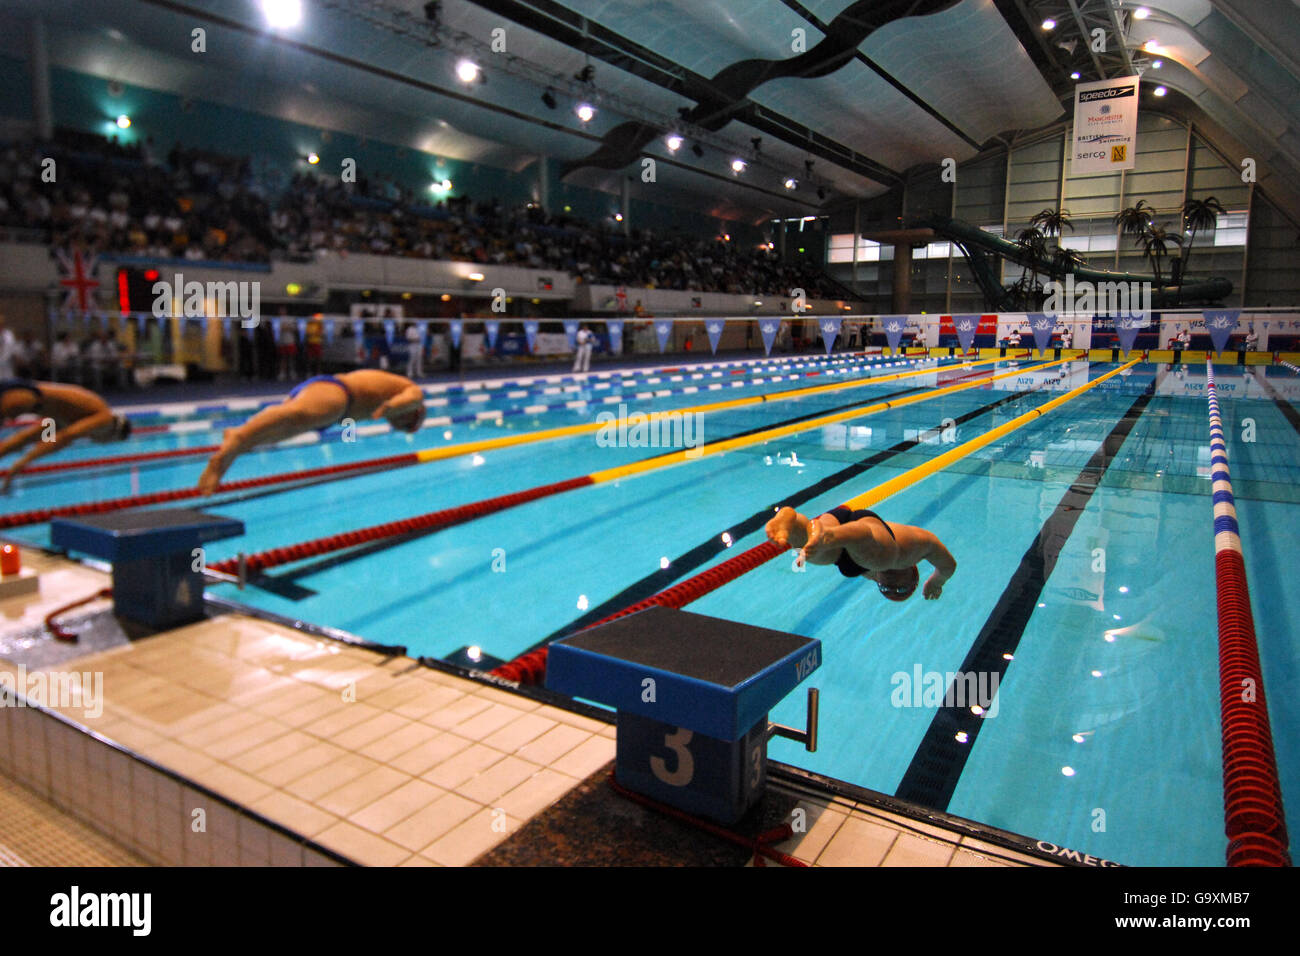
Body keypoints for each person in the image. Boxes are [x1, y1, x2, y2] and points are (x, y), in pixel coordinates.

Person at [197, 369, 426, 493]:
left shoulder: (396, 403)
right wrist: (391, 407)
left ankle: (241, 441)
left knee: (286, 429)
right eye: (405, 425)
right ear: (413, 413)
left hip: (334, 405)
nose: (398, 427)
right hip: (336, 394)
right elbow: (413, 398)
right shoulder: (411, 391)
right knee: (293, 416)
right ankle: (239, 435)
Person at [765, 505, 955, 601]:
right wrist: (936, 582)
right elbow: (948, 566)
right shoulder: (918, 548)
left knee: (815, 553)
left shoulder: (871, 573)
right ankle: (830, 535)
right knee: (886, 558)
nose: (891, 585)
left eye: (886, 589)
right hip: (868, 528)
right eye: (902, 588)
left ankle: (792, 522)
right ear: (913, 573)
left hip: (840, 529)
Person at [0, 380, 132, 492]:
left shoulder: (65, 417)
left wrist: (18, 466)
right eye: (108, 441)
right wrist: (18, 466)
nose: (101, 443)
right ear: (112, 434)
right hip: (23, 397)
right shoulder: (104, 416)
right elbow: (66, 437)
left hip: (21, 392)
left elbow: (26, 438)